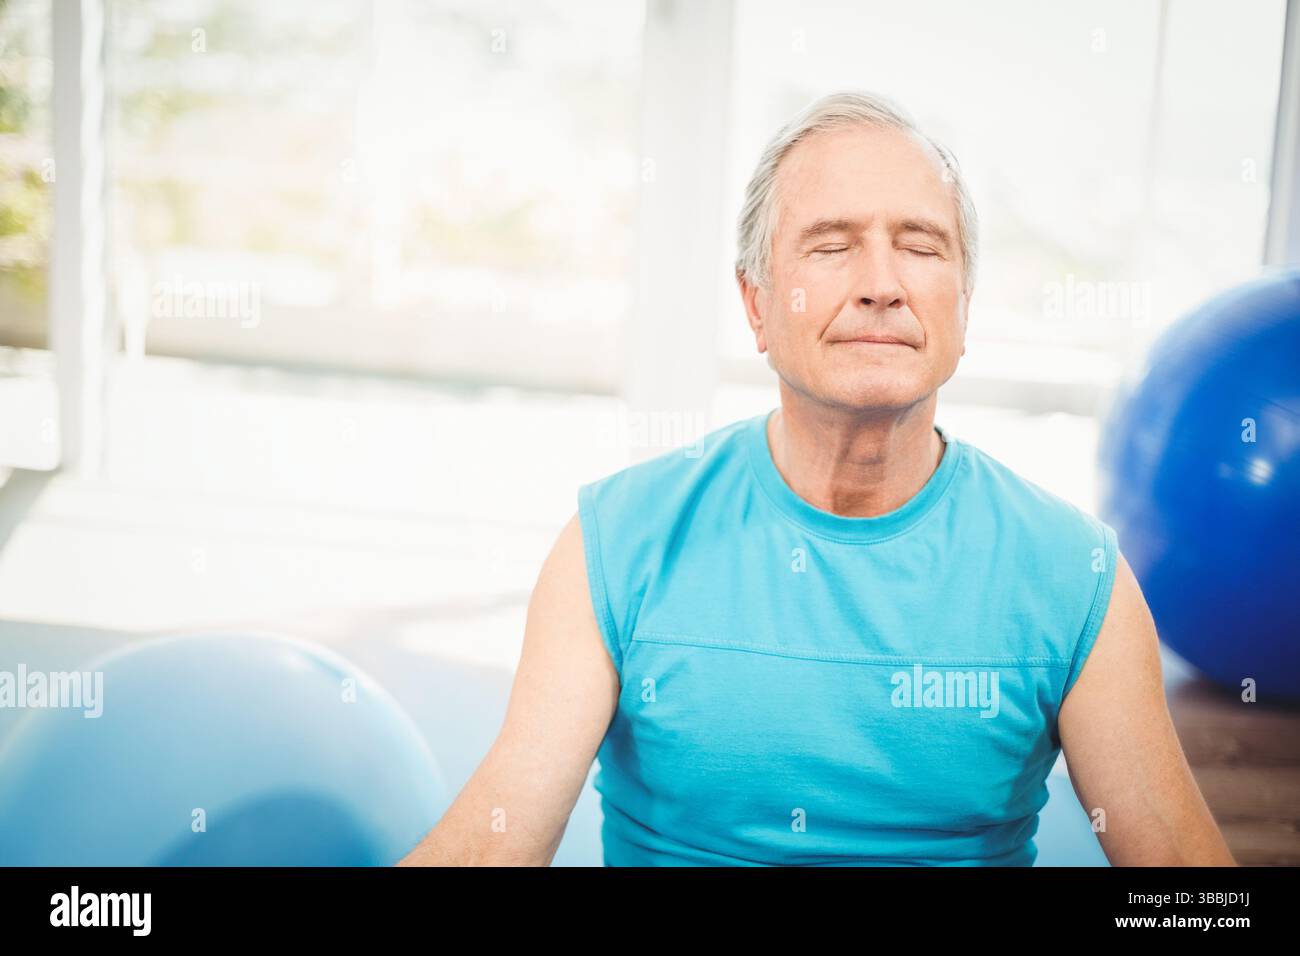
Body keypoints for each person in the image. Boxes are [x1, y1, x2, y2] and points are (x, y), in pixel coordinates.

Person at [399, 90, 1236, 866]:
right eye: (832, 247)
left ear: (964, 306)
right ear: (759, 306)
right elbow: (501, 831)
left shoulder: (1072, 572)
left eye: (919, 246)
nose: (880, 285)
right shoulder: (616, 543)